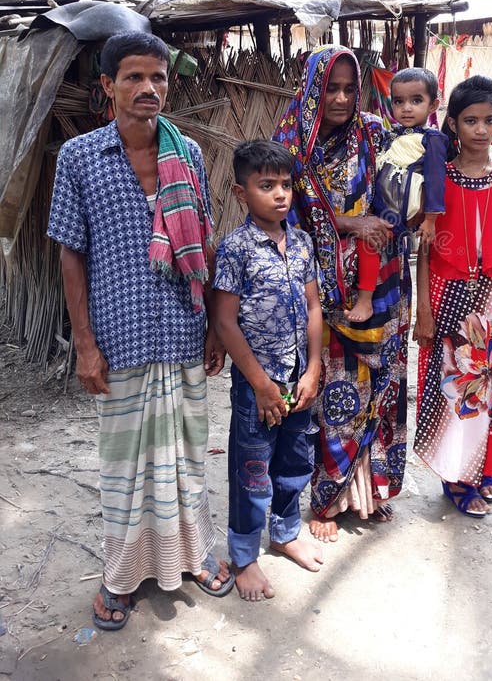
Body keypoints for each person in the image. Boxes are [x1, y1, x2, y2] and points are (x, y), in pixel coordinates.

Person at [47, 32, 232, 632]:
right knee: (124, 463)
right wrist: (84, 344)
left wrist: (211, 327)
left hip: (181, 328)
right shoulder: (80, 159)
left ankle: (192, 553)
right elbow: (71, 255)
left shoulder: (190, 156)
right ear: (108, 86)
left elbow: (200, 239)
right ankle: (121, 575)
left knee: (184, 456)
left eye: (157, 77)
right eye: (133, 78)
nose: (148, 89)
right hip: (120, 337)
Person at [273, 44, 409, 542]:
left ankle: (370, 491)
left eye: (351, 89)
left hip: (383, 282)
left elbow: (400, 194)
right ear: (312, 87)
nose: (342, 98)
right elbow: (279, 213)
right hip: (321, 293)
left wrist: (381, 226)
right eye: (332, 87)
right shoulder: (291, 142)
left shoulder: (375, 133)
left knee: (382, 387)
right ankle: (328, 498)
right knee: (335, 391)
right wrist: (347, 223)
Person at [413, 75, 492, 518]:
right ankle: (455, 477)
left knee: (491, 387)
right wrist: (422, 311)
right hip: (447, 294)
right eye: (470, 121)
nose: (481, 129)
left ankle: (488, 470)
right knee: (453, 389)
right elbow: (424, 251)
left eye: (489, 120)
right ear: (452, 123)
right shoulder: (437, 179)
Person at [211, 140, 323, 601]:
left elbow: (315, 307)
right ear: (241, 193)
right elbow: (224, 320)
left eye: (285, 184)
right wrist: (258, 383)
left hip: (299, 377)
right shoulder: (235, 248)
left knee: (295, 457)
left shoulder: (301, 242)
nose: (280, 194)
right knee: (253, 466)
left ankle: (285, 530)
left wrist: (314, 367)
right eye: (266, 185)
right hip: (258, 382)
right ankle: (243, 555)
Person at [344, 67, 448, 323]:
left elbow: (436, 181)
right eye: (399, 102)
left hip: (400, 212)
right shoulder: (389, 136)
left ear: (433, 105)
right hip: (382, 206)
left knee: (368, 243)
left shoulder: (432, 139)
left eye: (416, 101)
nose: (407, 108)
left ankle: (365, 301)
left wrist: (431, 220)